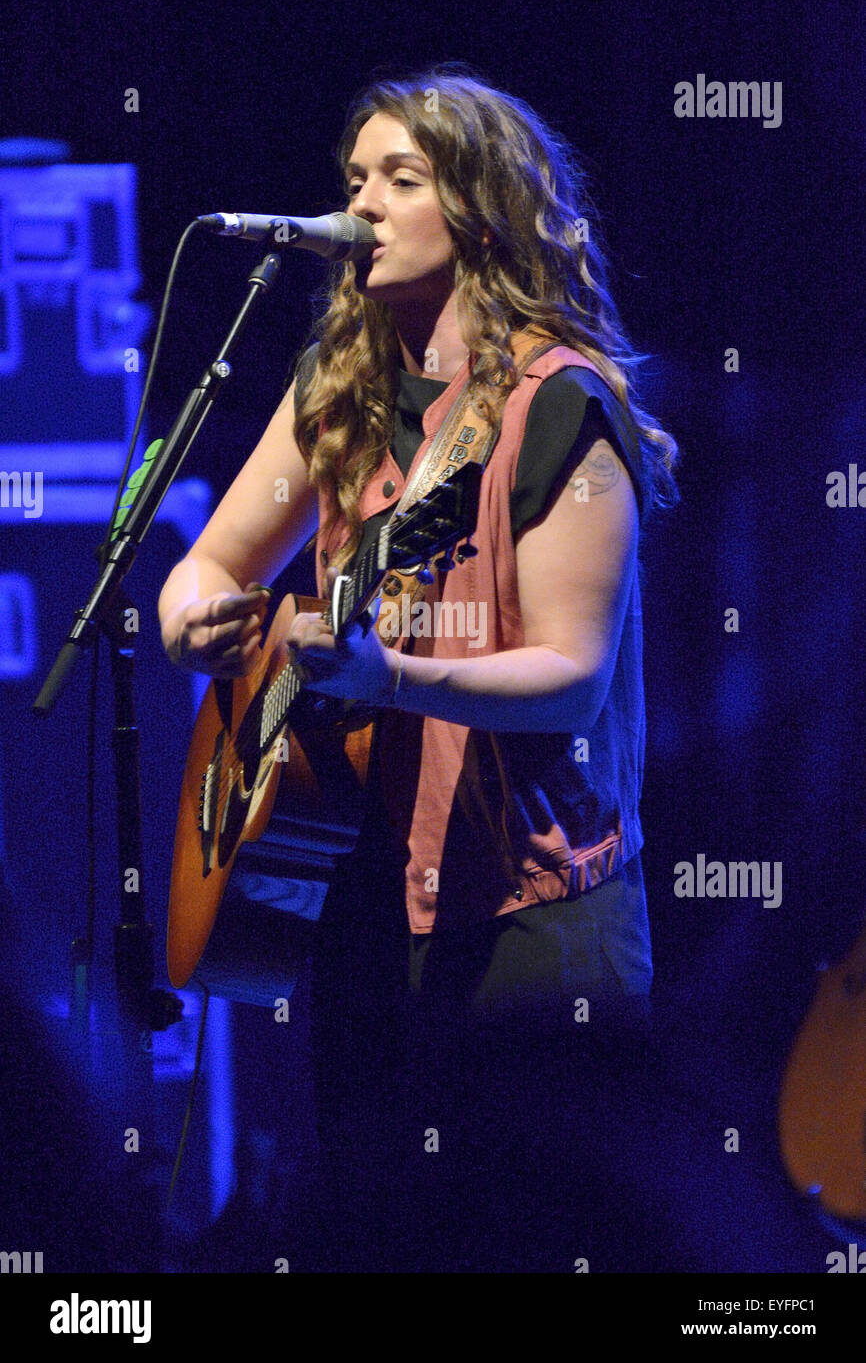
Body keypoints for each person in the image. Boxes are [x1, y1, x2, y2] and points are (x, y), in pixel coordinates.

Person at [159, 65, 678, 1272]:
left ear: (483, 214)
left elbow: (567, 674)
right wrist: (196, 619)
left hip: (532, 915)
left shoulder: (561, 409)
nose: (365, 204)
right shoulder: (337, 393)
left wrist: (390, 676)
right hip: (361, 897)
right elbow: (206, 567)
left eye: (403, 178)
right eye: (354, 181)